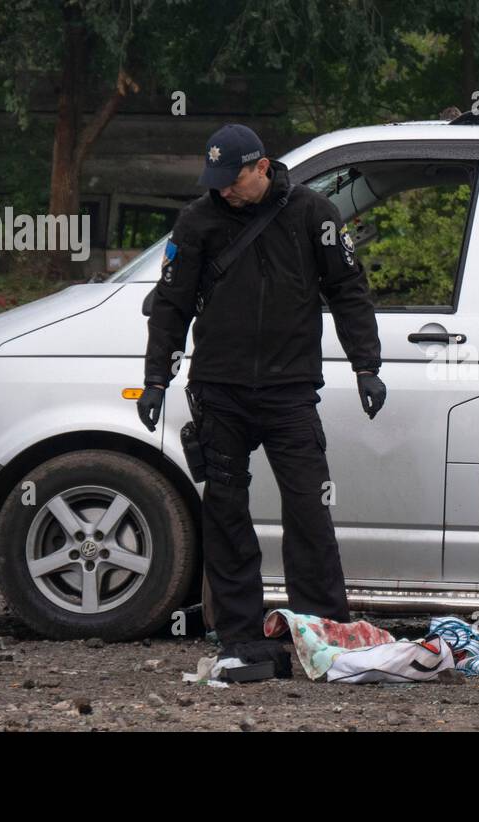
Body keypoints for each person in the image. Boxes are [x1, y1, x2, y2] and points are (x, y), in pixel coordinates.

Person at [138, 123, 386, 664]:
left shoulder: (313, 214)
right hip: (219, 391)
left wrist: (367, 365)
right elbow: (172, 305)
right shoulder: (197, 221)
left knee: (309, 509)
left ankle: (323, 633)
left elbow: (348, 291)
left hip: (290, 391)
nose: (223, 189)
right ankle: (242, 640)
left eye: (233, 179)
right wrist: (156, 378)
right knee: (225, 513)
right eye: (216, 180)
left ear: (261, 167)